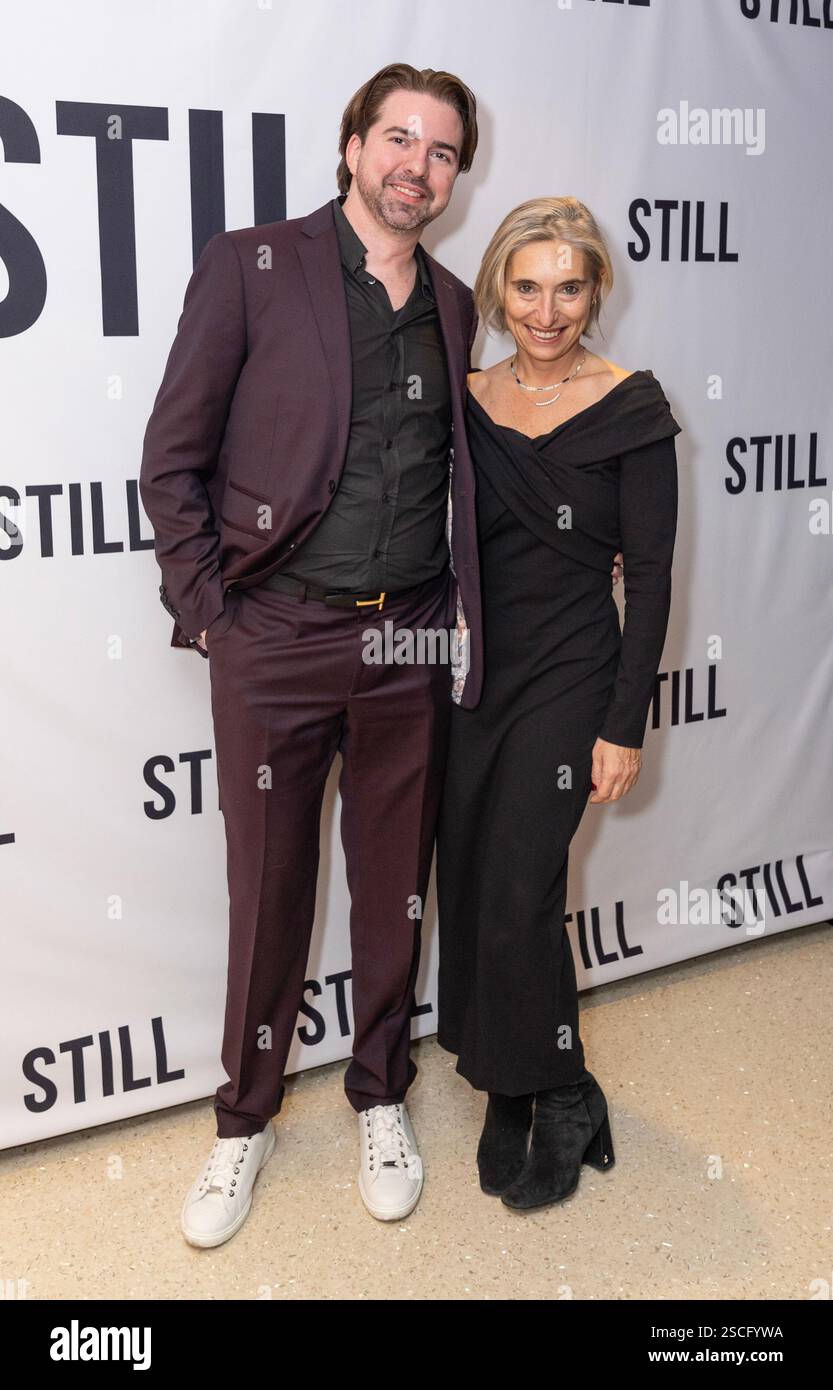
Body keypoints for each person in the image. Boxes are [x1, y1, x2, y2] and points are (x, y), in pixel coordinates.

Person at [139, 63, 484, 1243]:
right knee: (267, 893)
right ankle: (243, 1120)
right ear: (350, 147)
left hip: (406, 639)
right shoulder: (254, 266)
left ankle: (381, 1093)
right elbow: (171, 456)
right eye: (397, 139)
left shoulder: (449, 302)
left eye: (440, 152)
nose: (416, 167)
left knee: (393, 890)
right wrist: (213, 619)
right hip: (274, 634)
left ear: (453, 177)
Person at [435, 196, 682, 1212]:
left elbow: (654, 577)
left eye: (567, 288)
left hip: (573, 671)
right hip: (473, 675)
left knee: (520, 887)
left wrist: (622, 722)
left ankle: (560, 1089)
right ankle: (508, 1078)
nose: (546, 311)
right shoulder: (465, 396)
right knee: (467, 877)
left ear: (595, 290)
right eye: (526, 287)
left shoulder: (630, 406)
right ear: (496, 290)